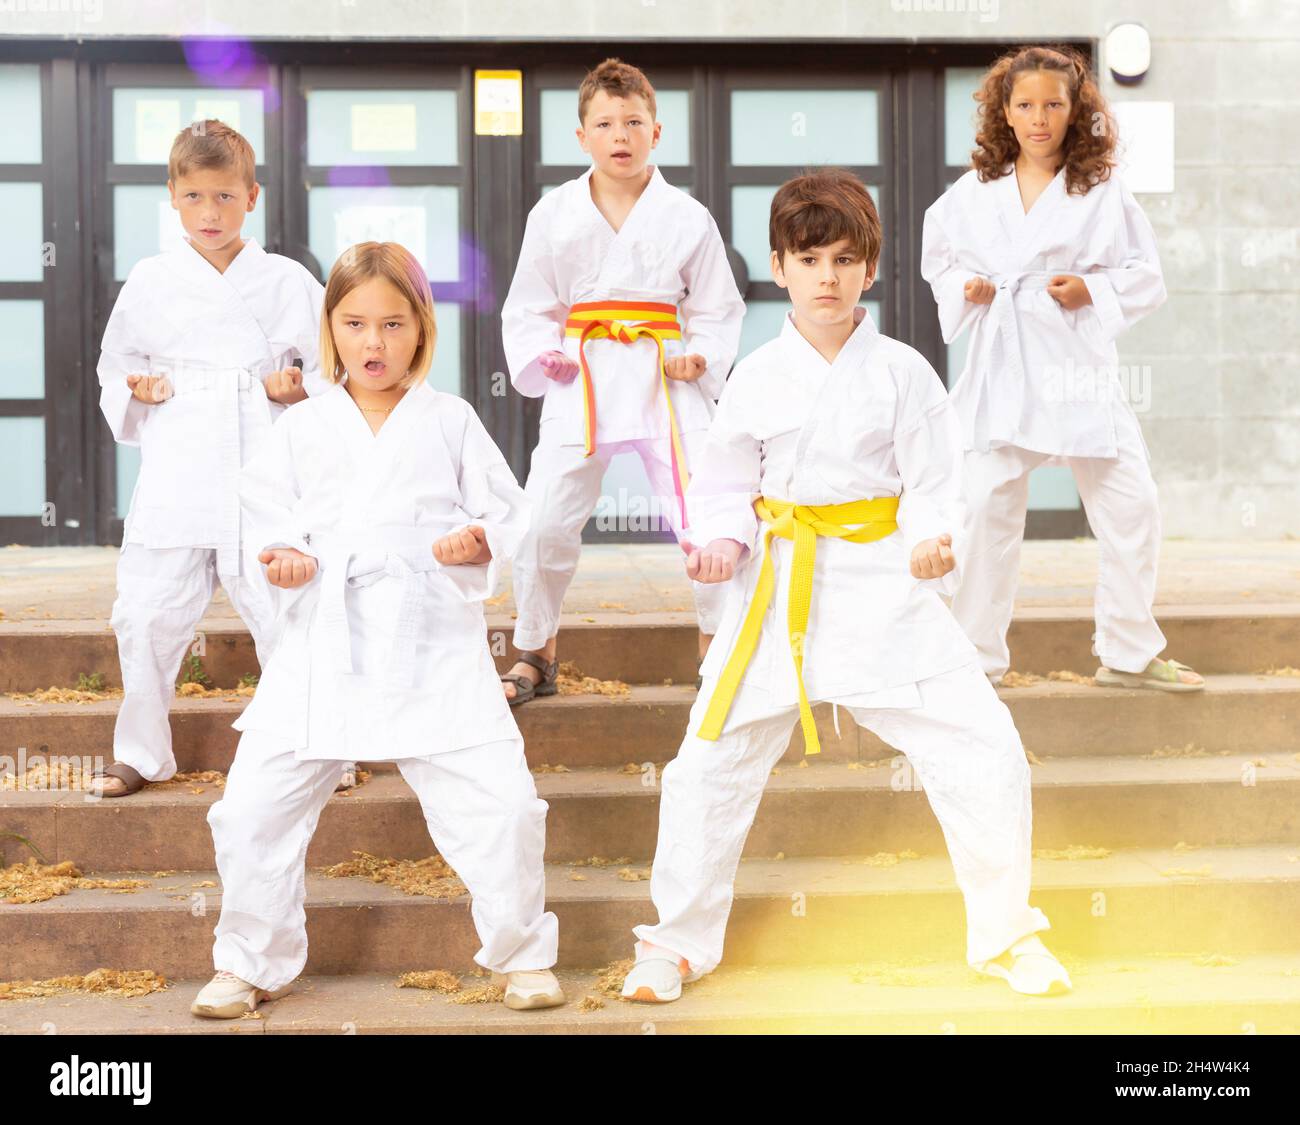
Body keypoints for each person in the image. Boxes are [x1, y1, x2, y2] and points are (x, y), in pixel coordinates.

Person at [621, 169, 1071, 1003]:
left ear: (871, 266)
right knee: (704, 766)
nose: (826, 276)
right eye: (808, 258)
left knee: (984, 744)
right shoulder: (754, 376)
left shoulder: (904, 372)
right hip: (776, 584)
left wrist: (934, 541)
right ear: (778, 267)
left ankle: (1007, 934)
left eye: (842, 258)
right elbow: (723, 479)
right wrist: (720, 539)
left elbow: (937, 481)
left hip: (883, 584)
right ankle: (676, 941)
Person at [190, 242, 562, 1018]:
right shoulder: (302, 427)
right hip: (325, 640)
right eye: (355, 323)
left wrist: (476, 543)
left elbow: (507, 514)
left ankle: (522, 952)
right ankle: (249, 961)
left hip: (432, 636)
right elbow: (268, 524)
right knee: (251, 810)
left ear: (421, 329)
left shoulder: (450, 418)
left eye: (392, 324)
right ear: (330, 328)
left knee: (506, 808)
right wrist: (285, 562)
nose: (373, 343)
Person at [921, 45, 1203, 693]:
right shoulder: (976, 190)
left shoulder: (1101, 189)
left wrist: (1092, 293)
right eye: (1025, 105)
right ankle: (974, 659)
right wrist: (967, 286)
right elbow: (942, 259)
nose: (1039, 117)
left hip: (1077, 363)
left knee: (1132, 503)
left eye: (1054, 103)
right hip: (1005, 361)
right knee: (988, 507)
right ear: (1005, 112)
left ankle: (1129, 651)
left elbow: (1146, 275)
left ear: (1076, 111)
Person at [92, 119, 333, 798]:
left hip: (264, 464)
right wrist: (136, 388)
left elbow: (331, 370)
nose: (210, 213)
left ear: (252, 197)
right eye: (195, 196)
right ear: (173, 195)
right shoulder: (150, 280)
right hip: (179, 464)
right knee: (143, 615)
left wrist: (298, 390)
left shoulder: (288, 281)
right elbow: (116, 369)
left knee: (289, 612)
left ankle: (311, 746)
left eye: (225, 196)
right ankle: (140, 751)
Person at [499, 57, 744, 704]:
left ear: (656, 132)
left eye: (634, 121)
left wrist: (701, 354)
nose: (620, 135)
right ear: (581, 136)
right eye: (605, 123)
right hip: (580, 374)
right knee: (543, 521)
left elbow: (718, 306)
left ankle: (715, 649)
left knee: (705, 510)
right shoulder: (552, 214)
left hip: (664, 373)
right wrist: (544, 353)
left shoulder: (686, 215)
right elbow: (528, 306)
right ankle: (535, 649)